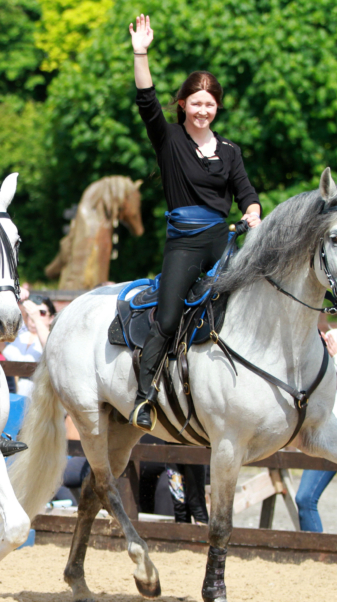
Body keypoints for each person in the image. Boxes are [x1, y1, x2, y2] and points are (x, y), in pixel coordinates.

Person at [128, 15, 262, 428]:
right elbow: (147, 99)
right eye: (196, 102)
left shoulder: (230, 150)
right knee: (168, 319)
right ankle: (144, 396)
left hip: (223, 241)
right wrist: (140, 53)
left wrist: (253, 211)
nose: (203, 110)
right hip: (185, 244)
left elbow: (247, 192)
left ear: (216, 108)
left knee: (256, 303)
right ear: (184, 104)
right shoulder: (169, 140)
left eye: (210, 104)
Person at [294, 322, 337, 532]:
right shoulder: (334, 336)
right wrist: (318, 350)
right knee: (304, 498)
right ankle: (314, 549)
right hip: (327, 432)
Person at [2, 294, 56, 397]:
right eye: (31, 312)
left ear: (51, 318)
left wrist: (37, 319)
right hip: (14, 397)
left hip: (40, 398)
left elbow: (50, 348)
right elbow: (1, 350)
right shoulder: (19, 338)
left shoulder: (54, 337)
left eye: (42, 313)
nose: (33, 316)